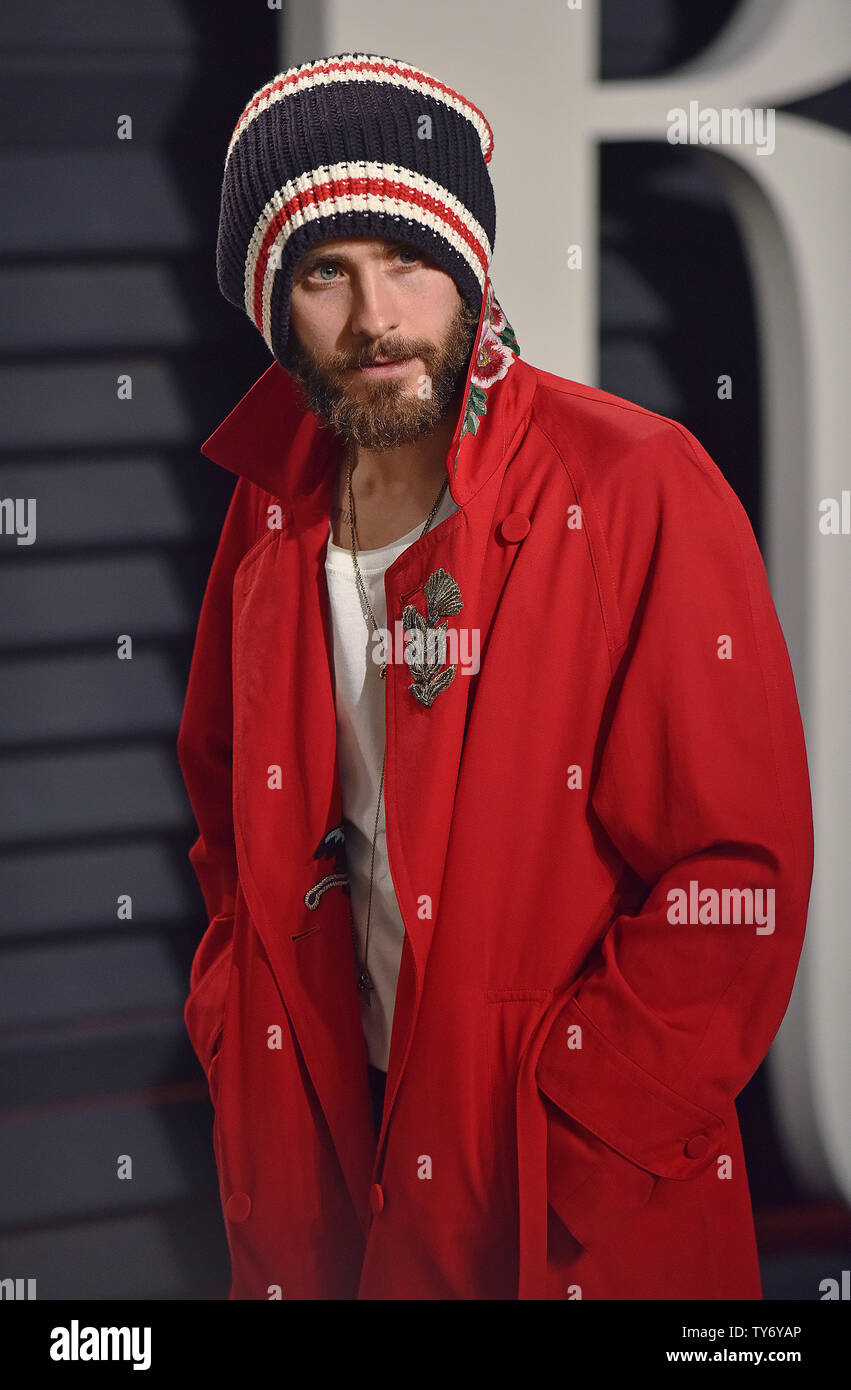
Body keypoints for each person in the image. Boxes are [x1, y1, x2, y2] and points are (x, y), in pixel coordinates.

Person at [177, 52, 814, 1300]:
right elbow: (223, 818)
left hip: (554, 1187)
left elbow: (731, 874)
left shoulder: (631, 485)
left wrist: (573, 1125)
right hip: (326, 1158)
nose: (376, 321)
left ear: (466, 263)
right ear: (272, 305)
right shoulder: (267, 514)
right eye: (325, 274)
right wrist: (233, 1026)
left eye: (408, 260)